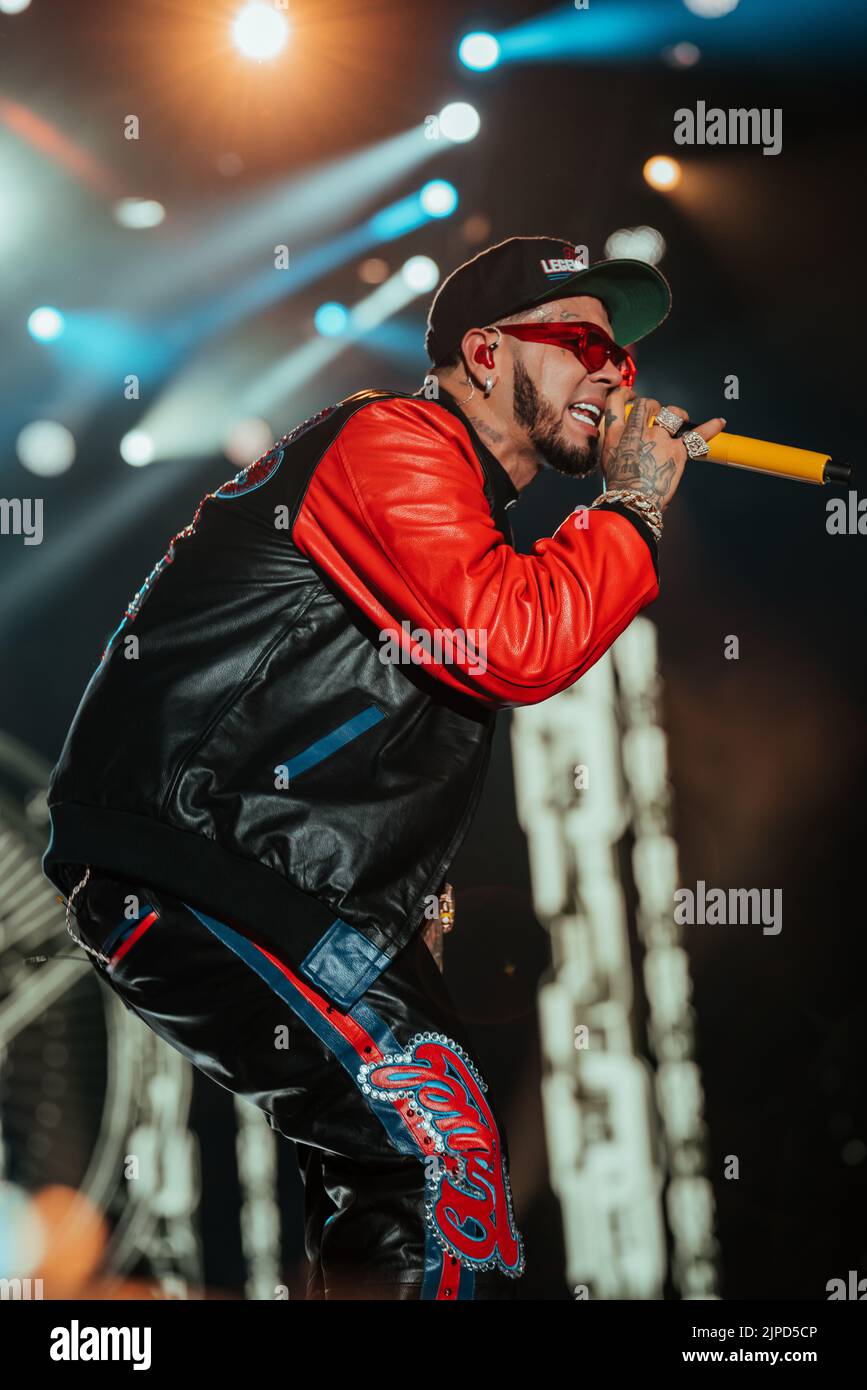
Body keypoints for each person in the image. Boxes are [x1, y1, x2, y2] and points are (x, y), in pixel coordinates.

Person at [42, 235, 725, 1300]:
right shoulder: (392, 440)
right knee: (436, 1163)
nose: (612, 374)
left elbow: (379, 720)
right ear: (486, 354)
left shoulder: (455, 504)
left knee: (405, 1175)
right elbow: (511, 643)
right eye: (585, 345)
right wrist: (631, 509)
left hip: (282, 882)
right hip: (207, 859)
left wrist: (405, 904)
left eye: (623, 359)